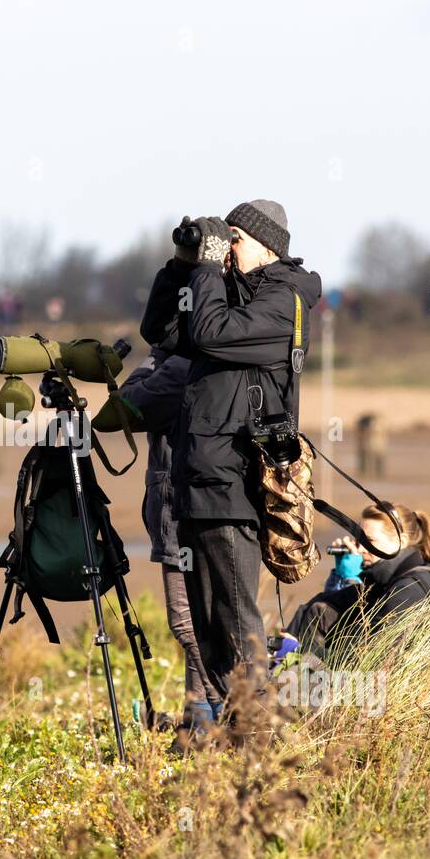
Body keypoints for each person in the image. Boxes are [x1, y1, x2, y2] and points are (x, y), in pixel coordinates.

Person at [140, 199, 322, 706]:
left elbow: (210, 333)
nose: (225, 249)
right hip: (197, 477)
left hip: (235, 483)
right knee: (206, 629)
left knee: (237, 621)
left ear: (266, 247)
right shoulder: (227, 292)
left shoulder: (284, 303)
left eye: (234, 239)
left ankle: (255, 742)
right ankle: (231, 734)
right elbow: (161, 331)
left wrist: (205, 271)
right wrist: (183, 263)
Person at [117, 347, 224, 729]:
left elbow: (125, 407)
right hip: (220, 504)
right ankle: (198, 717)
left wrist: (152, 359)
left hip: (179, 510)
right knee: (206, 620)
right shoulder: (227, 356)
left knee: (185, 622)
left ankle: (216, 711)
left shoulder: (178, 364)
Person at [276, 504, 430, 660]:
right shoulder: (383, 580)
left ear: (401, 542)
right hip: (377, 674)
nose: (360, 549)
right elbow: (325, 603)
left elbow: (364, 659)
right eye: (359, 540)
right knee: (318, 611)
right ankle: (288, 679)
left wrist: (299, 652)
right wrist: (340, 575)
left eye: (370, 541)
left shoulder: (409, 590)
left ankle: (296, 683)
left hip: (409, 685)